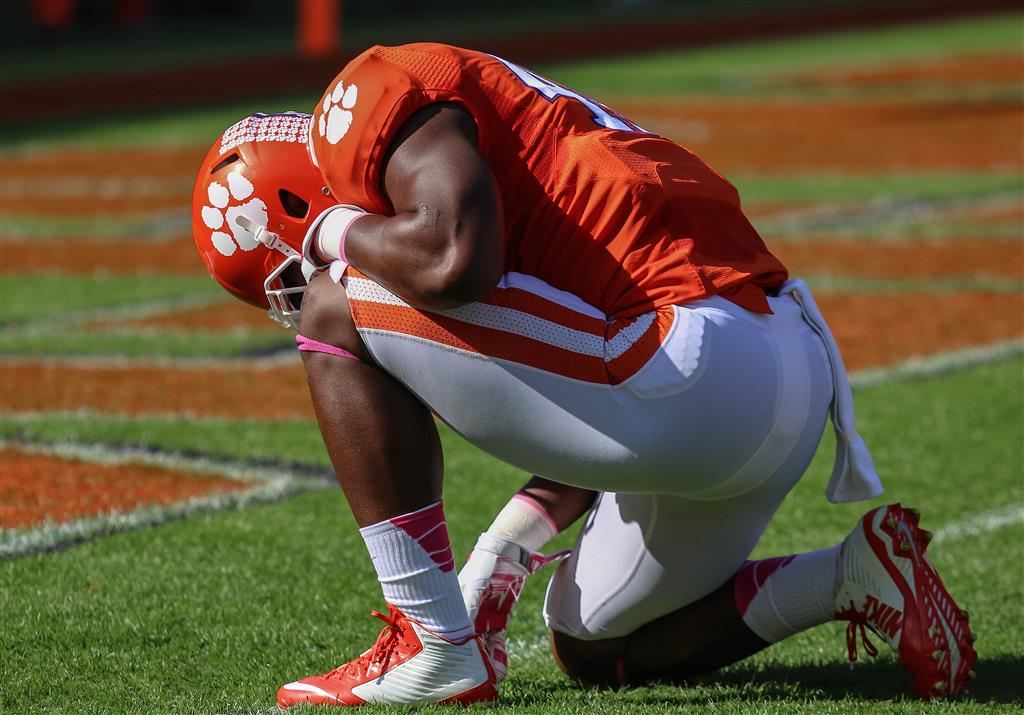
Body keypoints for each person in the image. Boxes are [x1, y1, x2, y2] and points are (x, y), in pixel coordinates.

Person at [190, 43, 976, 708]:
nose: (296, 301)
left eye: (285, 277)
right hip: (765, 368)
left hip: (695, 353)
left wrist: (331, 234)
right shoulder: (490, 141)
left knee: (340, 308)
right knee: (595, 640)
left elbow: (451, 260)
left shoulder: (371, 100)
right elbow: (586, 403)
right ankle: (851, 574)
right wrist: (506, 543)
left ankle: (424, 639)